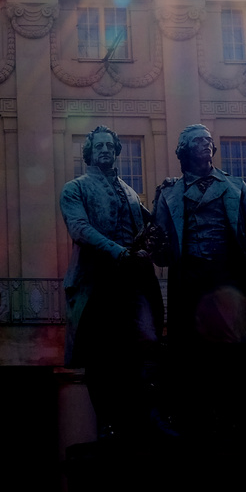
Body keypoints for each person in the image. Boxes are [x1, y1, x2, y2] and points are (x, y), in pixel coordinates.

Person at [149, 124, 246, 438]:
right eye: (197, 141)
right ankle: (199, 419)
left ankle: (240, 419)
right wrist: (155, 217)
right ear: (183, 151)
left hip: (231, 278)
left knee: (237, 351)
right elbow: (161, 255)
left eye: (208, 141)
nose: (205, 145)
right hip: (191, 283)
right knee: (195, 354)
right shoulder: (169, 193)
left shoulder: (236, 186)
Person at [59, 126, 169, 438]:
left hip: (135, 282)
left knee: (146, 347)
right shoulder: (75, 188)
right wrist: (118, 252)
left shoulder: (131, 192)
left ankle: (149, 417)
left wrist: (167, 194)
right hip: (98, 282)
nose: (105, 150)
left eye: (110, 146)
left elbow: (155, 227)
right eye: (99, 146)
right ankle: (110, 421)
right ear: (89, 153)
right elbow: (79, 228)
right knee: (102, 353)